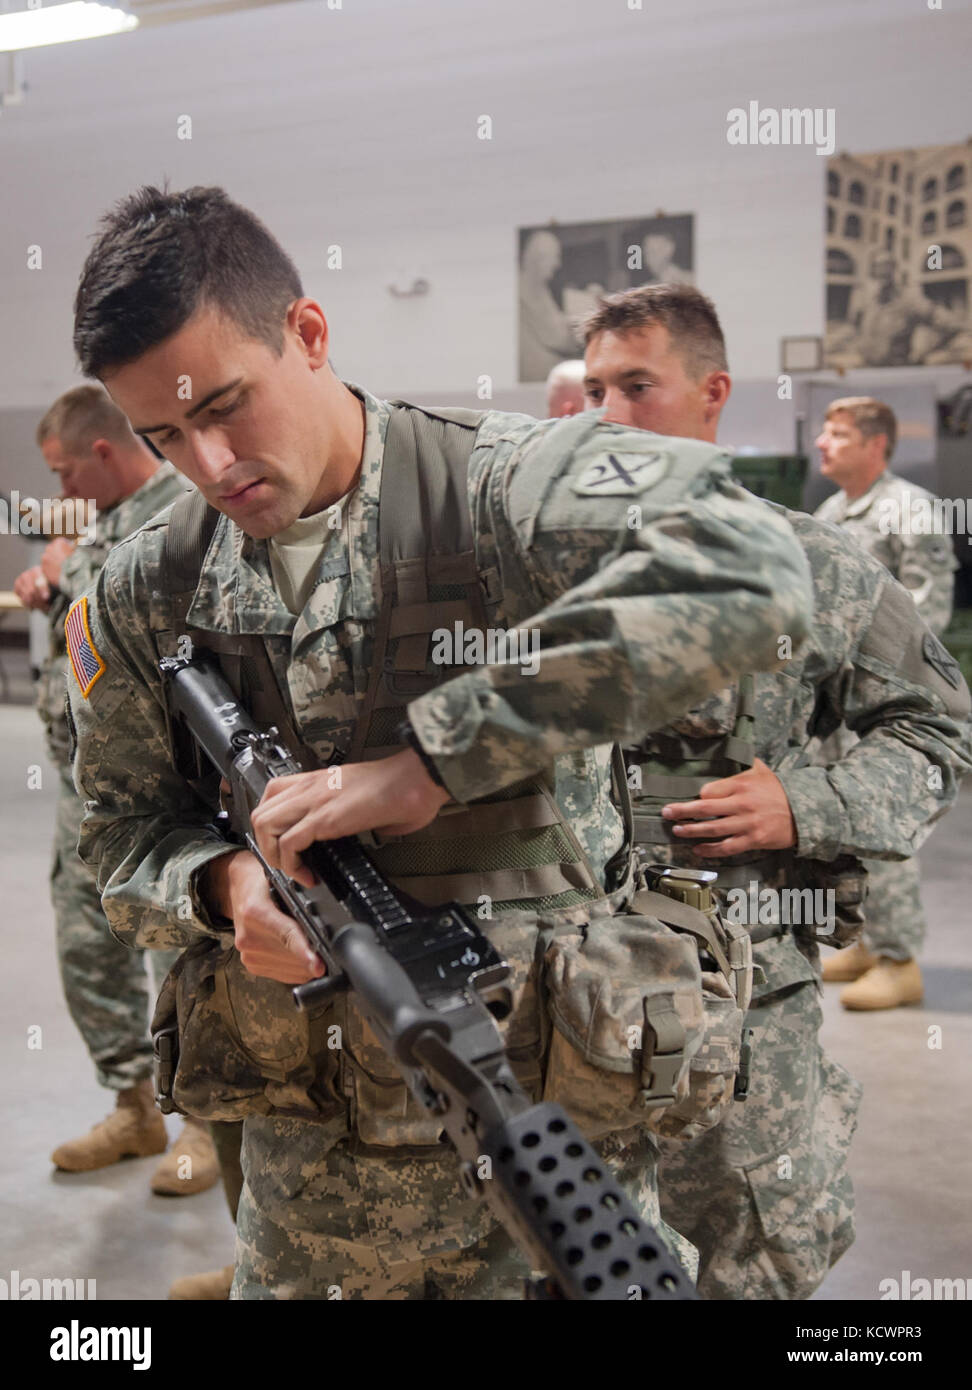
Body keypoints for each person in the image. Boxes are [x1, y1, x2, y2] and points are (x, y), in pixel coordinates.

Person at [66, 184, 813, 1301]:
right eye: (163, 435)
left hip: (552, 1161)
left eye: (227, 404)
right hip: (312, 1197)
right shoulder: (147, 582)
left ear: (309, 335)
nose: (210, 464)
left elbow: (752, 563)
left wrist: (435, 759)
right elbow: (115, 833)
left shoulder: (508, 483)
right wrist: (223, 887)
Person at [581, 283, 972, 1298]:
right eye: (593, 391)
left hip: (745, 992)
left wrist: (807, 804)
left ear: (713, 394)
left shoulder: (818, 562)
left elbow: (939, 729)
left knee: (764, 1250)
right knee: (582, 1249)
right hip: (564, 991)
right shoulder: (537, 570)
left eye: (638, 385)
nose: (611, 417)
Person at [12, 387, 220, 1195]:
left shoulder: (185, 514)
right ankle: (132, 1105)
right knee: (84, 942)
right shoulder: (97, 524)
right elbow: (83, 623)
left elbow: (151, 628)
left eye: (65, 474)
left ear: (102, 451)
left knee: (178, 954)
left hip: (160, 785)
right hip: (80, 780)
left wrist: (71, 578)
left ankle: (203, 1121)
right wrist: (51, 583)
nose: (60, 494)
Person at [814, 396, 959, 1009]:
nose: (823, 442)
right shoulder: (832, 511)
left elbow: (929, 614)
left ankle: (902, 962)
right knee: (851, 823)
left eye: (838, 433)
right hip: (840, 700)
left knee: (885, 825)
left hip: (889, 704)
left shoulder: (911, 509)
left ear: (876, 444)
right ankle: (871, 942)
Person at [518, 229, 578, 381]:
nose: (558, 264)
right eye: (555, 257)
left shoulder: (540, 287)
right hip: (539, 374)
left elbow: (555, 325)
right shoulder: (525, 288)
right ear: (538, 258)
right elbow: (558, 339)